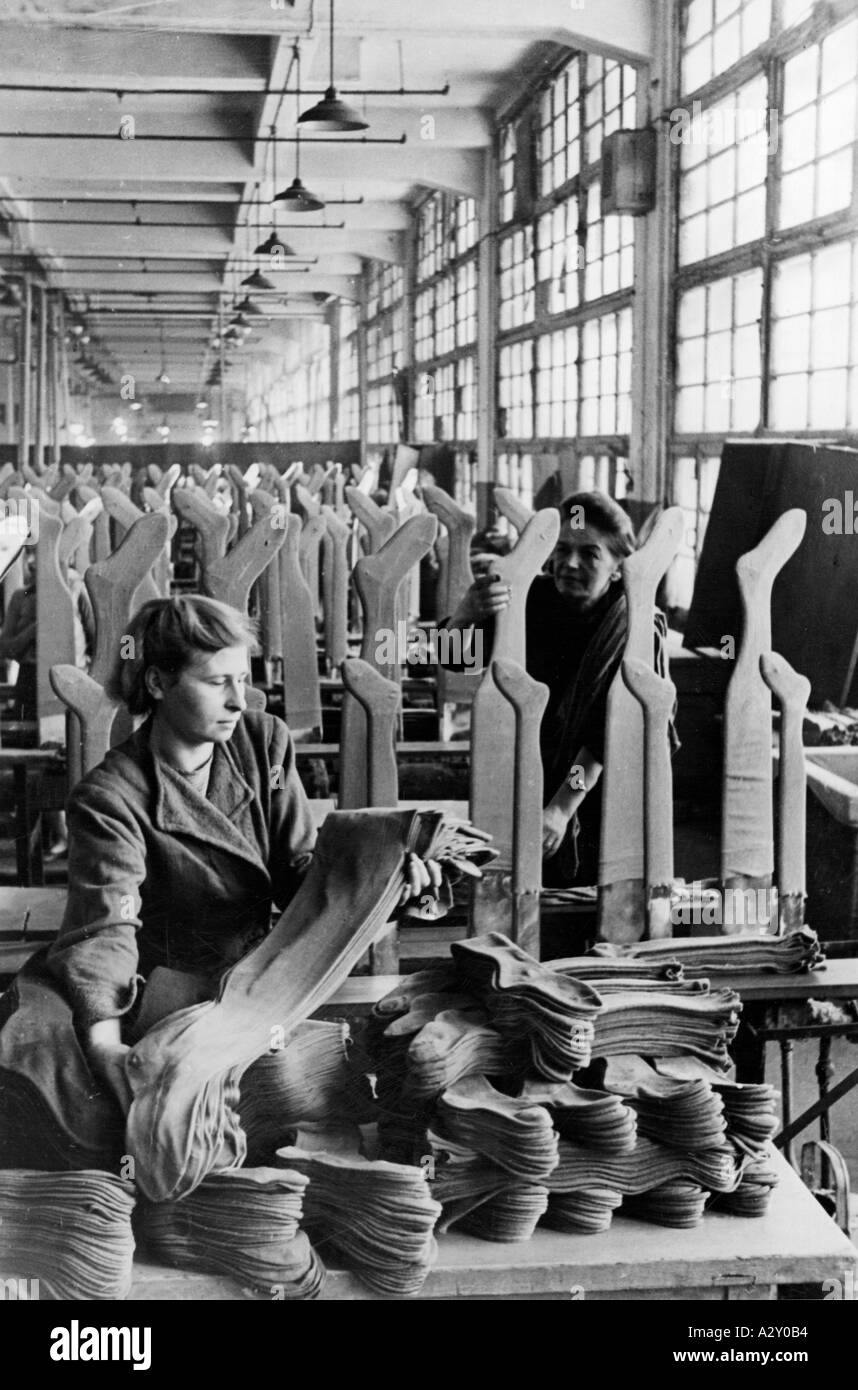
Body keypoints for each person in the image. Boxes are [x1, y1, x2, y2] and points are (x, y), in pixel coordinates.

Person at [39, 595, 439, 1118]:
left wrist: (388, 893)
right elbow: (106, 932)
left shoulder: (261, 741)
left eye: (241, 678)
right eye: (215, 682)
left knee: (354, 1089)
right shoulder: (110, 798)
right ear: (157, 684)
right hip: (177, 998)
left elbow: (300, 876)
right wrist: (105, 1046)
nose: (237, 699)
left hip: (264, 978)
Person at [445, 491, 673, 887]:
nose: (570, 564)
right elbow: (455, 661)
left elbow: (608, 736)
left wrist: (563, 808)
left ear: (619, 567)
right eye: (562, 549)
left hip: (598, 787)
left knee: (590, 900)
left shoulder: (631, 625)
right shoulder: (529, 599)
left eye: (590, 554)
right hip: (525, 771)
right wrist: (467, 612)